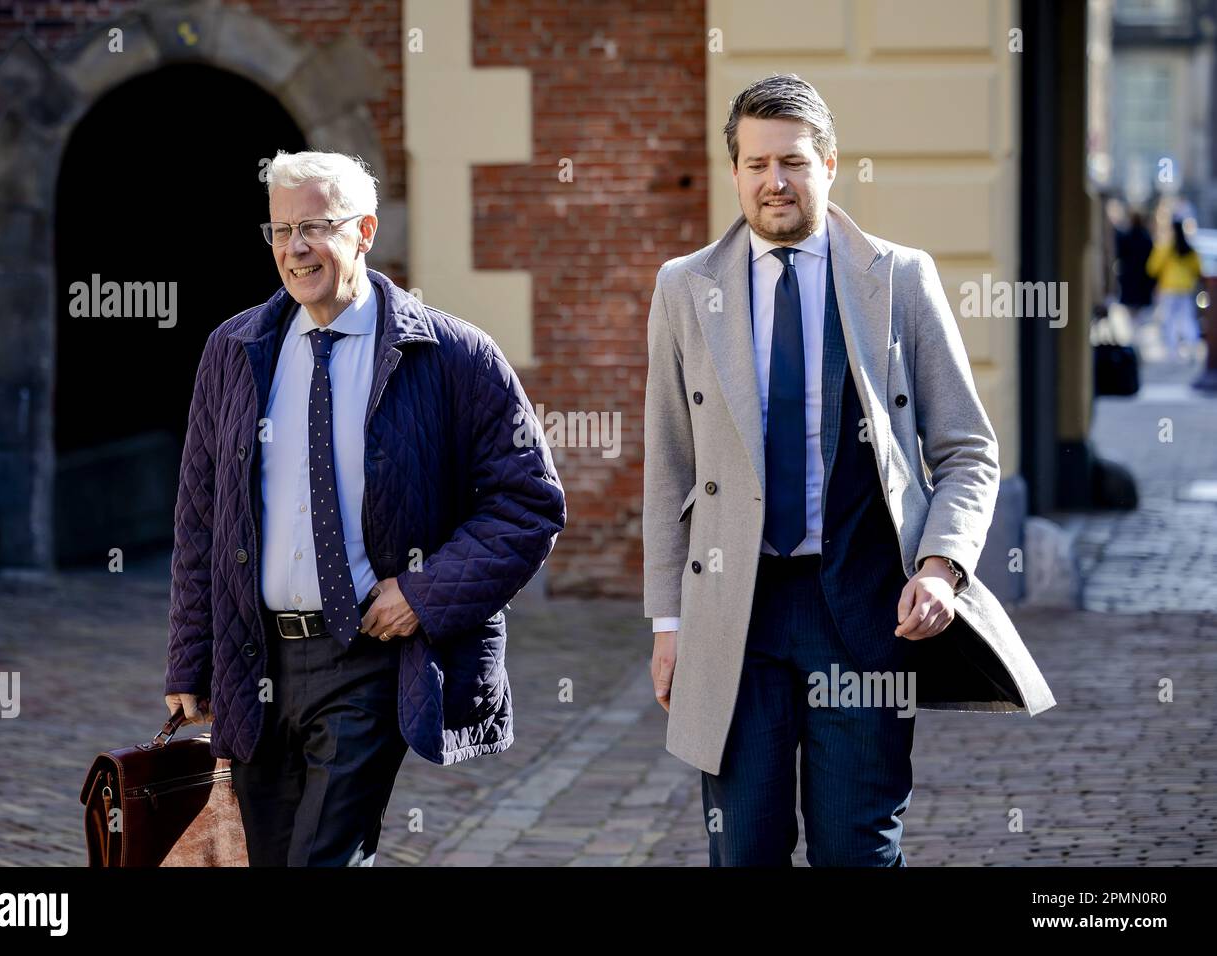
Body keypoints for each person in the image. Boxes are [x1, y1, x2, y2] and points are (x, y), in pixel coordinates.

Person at [642, 74, 1055, 866]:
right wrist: (668, 624)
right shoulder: (685, 289)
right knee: (744, 850)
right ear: (734, 172)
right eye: (757, 164)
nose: (775, 182)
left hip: (863, 615)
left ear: (830, 164)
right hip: (736, 619)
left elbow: (968, 449)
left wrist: (941, 567)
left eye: (793, 161)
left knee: (857, 848)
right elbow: (669, 465)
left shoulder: (898, 278)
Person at [164, 150, 566, 866]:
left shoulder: (451, 355)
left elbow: (528, 502)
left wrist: (423, 592)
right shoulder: (233, 348)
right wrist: (189, 661)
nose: (294, 248)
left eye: (315, 226)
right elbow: (200, 517)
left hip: (366, 660)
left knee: (323, 856)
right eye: (280, 230)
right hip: (254, 661)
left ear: (365, 230)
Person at [1147, 217, 1204, 362]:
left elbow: (1152, 268)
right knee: (1186, 319)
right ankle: (1192, 346)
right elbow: (1198, 268)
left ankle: (1172, 351)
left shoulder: (1166, 248)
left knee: (1170, 320)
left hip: (1169, 288)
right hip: (1185, 288)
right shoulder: (1189, 249)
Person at [1114, 209, 1155, 329]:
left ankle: (1134, 332)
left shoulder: (1127, 236)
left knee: (1131, 312)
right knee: (1139, 313)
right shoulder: (1146, 238)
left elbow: (1120, 254)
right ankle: (1136, 332)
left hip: (1131, 278)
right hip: (1142, 279)